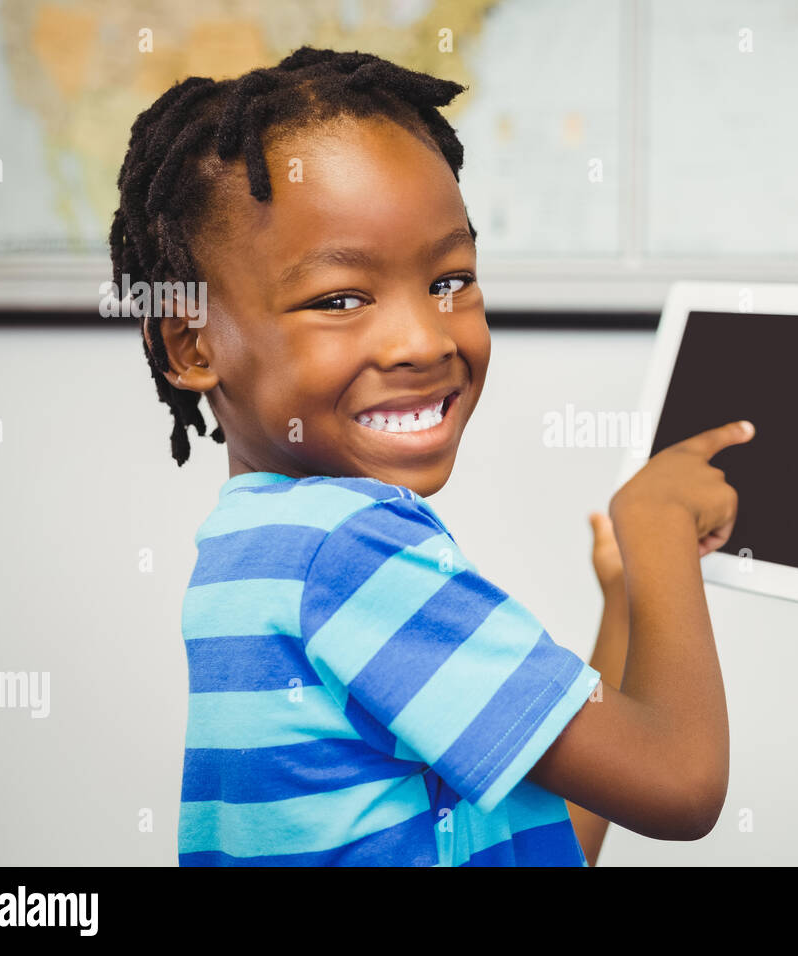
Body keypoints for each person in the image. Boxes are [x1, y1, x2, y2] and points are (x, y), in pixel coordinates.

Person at [110, 45, 755, 866]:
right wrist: (658, 522)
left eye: (450, 280)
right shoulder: (349, 554)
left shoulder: (259, 556)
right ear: (193, 344)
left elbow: (538, 839)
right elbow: (681, 785)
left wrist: (626, 600)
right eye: (340, 299)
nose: (423, 338)